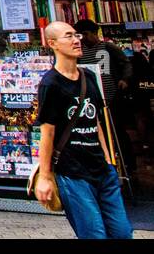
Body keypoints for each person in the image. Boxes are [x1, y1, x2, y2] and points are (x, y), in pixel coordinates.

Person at [33, 22, 132, 238]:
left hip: (102, 170)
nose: (76, 40)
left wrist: (109, 161)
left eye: (76, 35)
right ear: (53, 44)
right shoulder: (50, 84)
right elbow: (47, 133)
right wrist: (45, 176)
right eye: (68, 36)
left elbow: (96, 122)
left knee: (122, 233)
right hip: (73, 173)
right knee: (94, 234)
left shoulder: (88, 76)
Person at [75, 18, 136, 175]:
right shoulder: (79, 52)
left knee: (118, 132)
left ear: (95, 33)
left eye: (86, 34)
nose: (83, 38)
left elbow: (126, 63)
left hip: (111, 97)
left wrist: (124, 79)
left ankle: (128, 164)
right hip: (90, 100)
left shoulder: (108, 48)